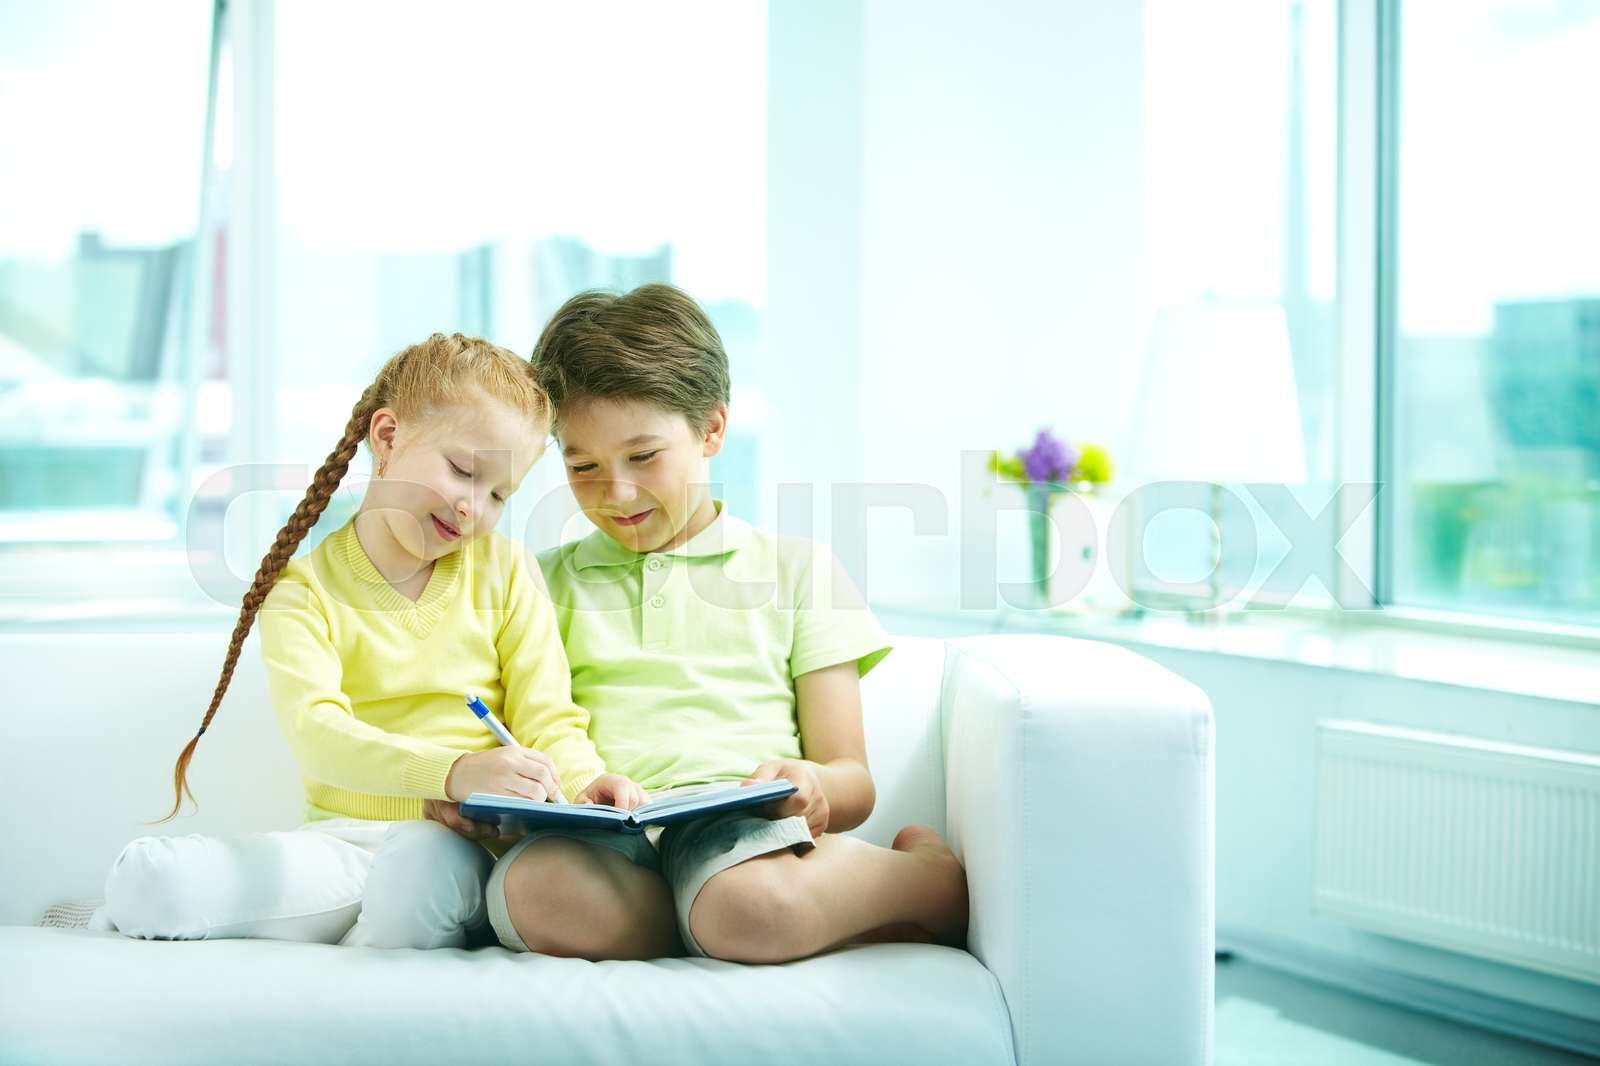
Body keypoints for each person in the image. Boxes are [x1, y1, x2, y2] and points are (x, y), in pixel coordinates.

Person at [430, 286, 969, 962]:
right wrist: (486, 793)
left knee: (746, 902)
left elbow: (852, 779)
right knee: (530, 890)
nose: (617, 492)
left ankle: (923, 882)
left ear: (712, 431)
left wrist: (816, 787)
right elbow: (509, 737)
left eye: (644, 456)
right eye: (583, 466)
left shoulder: (798, 569)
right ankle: (704, 924)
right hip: (606, 841)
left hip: (741, 838)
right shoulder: (535, 582)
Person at [95, 332, 639, 948]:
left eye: (498, 495)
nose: (472, 508)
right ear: (387, 438)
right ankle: (356, 936)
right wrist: (452, 772)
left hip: (458, 847)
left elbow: (549, 721)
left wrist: (584, 786)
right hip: (341, 844)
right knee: (155, 883)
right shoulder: (302, 590)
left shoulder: (508, 571)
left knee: (419, 867)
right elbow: (320, 738)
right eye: (462, 470)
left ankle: (355, 949)